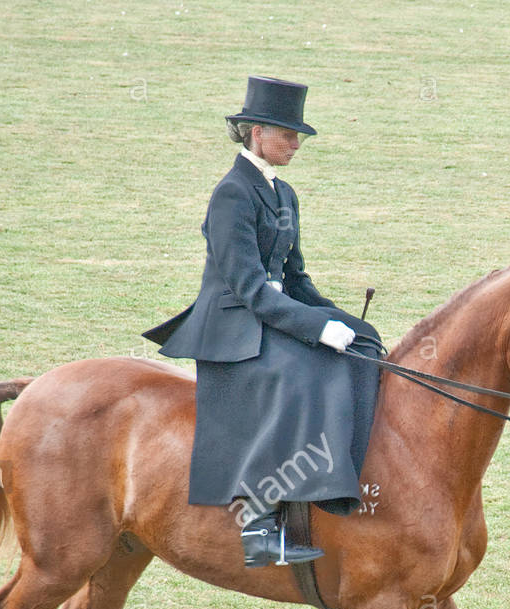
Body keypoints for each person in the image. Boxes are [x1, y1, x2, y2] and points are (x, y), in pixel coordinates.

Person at [142, 76, 382, 567]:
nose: (295, 145)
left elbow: (295, 278)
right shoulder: (232, 193)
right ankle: (257, 522)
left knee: (364, 348)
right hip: (233, 324)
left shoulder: (283, 193)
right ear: (255, 132)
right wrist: (315, 329)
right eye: (287, 135)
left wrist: (338, 320)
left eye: (298, 137)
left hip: (269, 312)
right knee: (301, 374)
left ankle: (340, 482)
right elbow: (251, 289)